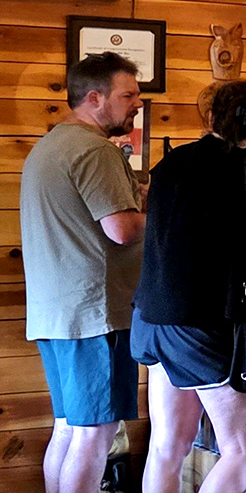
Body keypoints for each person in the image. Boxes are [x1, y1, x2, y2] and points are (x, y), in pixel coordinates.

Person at [130, 79, 246, 493]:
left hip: (152, 319)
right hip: (205, 323)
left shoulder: (170, 164)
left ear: (211, 116)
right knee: (243, 449)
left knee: (167, 445)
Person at [20, 52, 146, 493]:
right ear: (94, 98)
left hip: (56, 314)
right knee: (95, 435)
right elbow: (122, 229)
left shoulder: (50, 146)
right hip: (96, 314)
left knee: (68, 428)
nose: (138, 104)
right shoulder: (94, 150)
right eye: (128, 95)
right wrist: (171, 217)